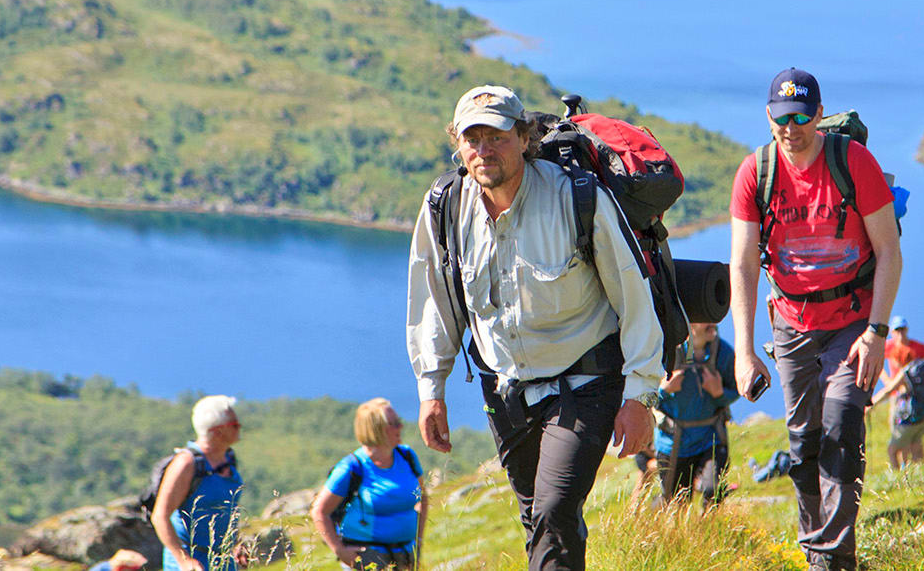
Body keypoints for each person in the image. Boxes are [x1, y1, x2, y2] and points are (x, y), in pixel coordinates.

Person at [407, 84, 665, 571]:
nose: (484, 150)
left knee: (554, 509)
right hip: (505, 390)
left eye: (497, 137)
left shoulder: (574, 198)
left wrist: (640, 395)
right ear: (458, 144)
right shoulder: (446, 207)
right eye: (472, 139)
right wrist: (431, 389)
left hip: (586, 380)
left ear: (524, 139)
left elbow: (634, 297)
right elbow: (433, 302)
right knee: (538, 519)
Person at [728, 68, 901, 571]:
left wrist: (877, 333)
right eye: (782, 119)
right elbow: (742, 264)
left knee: (842, 423)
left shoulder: (853, 163)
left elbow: (889, 252)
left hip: (853, 320)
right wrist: (744, 350)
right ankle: (814, 549)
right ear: (768, 117)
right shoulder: (755, 173)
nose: (791, 128)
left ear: (819, 114)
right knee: (803, 440)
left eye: (802, 117)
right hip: (791, 322)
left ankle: (835, 558)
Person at [310, 398, 427, 570]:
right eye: (394, 423)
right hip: (367, 559)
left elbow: (423, 498)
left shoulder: (407, 456)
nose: (401, 427)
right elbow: (319, 511)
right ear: (376, 430)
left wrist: (419, 541)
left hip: (406, 556)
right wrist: (340, 551)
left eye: (399, 421)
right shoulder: (351, 467)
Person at [151, 395, 247, 571]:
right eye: (234, 425)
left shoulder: (228, 458)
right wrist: (184, 560)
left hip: (223, 560)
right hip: (192, 562)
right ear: (217, 431)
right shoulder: (186, 464)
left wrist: (236, 544)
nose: (239, 427)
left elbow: (228, 510)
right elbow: (160, 516)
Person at [652, 322, 738, 508]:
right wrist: (664, 391)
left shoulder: (722, 352)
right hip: (673, 444)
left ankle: (712, 525)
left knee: (713, 491)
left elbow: (737, 390)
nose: (713, 323)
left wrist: (720, 393)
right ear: (690, 323)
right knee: (675, 504)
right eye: (706, 319)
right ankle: (656, 515)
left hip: (711, 439)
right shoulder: (666, 352)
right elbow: (643, 399)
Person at [871, 315, 924, 469]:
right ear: (892, 332)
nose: (900, 333)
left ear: (906, 329)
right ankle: (916, 471)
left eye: (902, 329)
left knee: (904, 439)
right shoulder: (889, 347)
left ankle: (907, 473)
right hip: (902, 397)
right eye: (897, 330)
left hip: (909, 398)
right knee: (910, 438)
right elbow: (876, 361)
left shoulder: (915, 349)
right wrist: (886, 379)